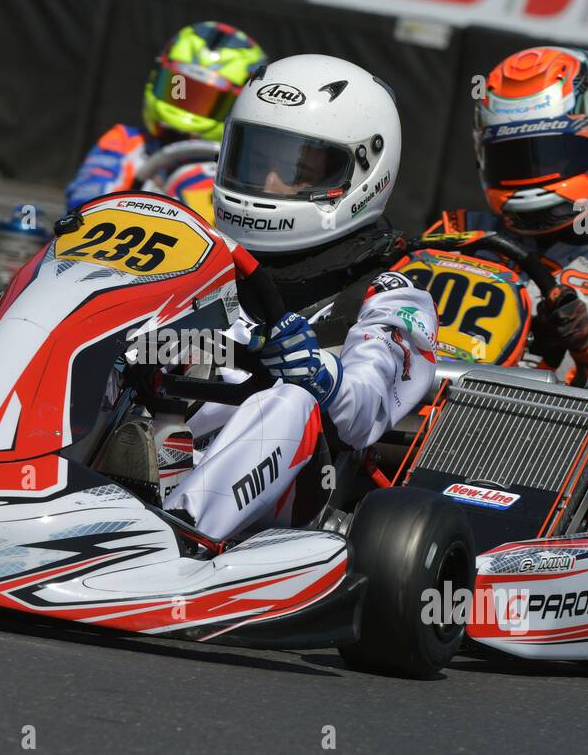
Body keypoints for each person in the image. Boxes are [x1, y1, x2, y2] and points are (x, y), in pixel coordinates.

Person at [162, 54, 439, 540]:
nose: (267, 185)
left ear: (359, 172)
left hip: (287, 509)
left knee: (289, 401)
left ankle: (181, 537)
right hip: (169, 451)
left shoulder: (388, 294)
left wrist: (317, 373)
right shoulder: (201, 258)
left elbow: (367, 409)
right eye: (257, 160)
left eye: (296, 169)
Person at [427, 45, 588, 415]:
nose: (531, 178)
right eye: (515, 158)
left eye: (553, 154)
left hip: (540, 446)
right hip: (420, 414)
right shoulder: (454, 236)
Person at [64, 21, 265, 212]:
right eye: (179, 87)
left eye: (203, 98)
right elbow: (84, 205)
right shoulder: (124, 143)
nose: (185, 102)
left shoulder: (245, 175)